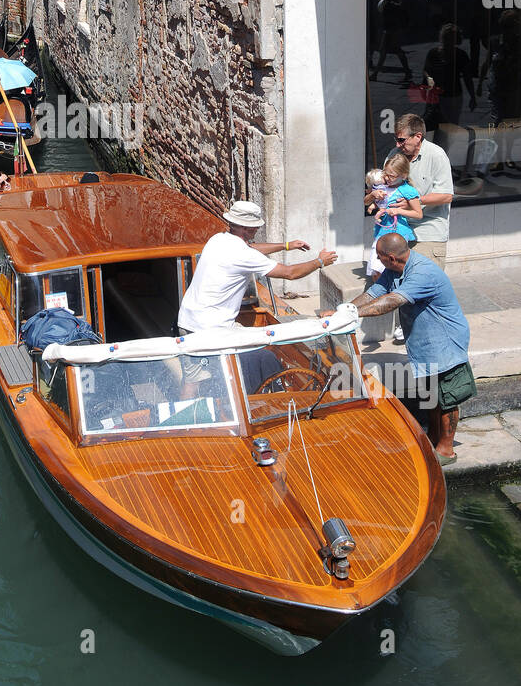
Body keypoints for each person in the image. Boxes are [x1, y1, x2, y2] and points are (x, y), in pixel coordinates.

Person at [351, 232, 476, 466]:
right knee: (431, 395)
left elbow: (391, 301)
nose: (377, 261)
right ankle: (433, 437)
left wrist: (353, 315)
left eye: (379, 256)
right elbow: (374, 293)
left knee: (448, 397)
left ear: (390, 257)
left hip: (445, 342)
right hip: (425, 344)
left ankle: (446, 450)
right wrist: (345, 309)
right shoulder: (395, 269)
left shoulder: (422, 273)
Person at [177, 199, 337, 333]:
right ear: (247, 228)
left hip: (186, 320)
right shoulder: (244, 255)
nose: (258, 228)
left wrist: (286, 245)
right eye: (256, 226)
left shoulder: (218, 239)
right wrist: (320, 262)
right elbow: (290, 273)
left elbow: (250, 249)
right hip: (209, 330)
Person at [392, 113, 453, 270]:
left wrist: (414, 202)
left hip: (428, 232)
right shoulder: (394, 155)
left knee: (424, 287)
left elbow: (446, 196)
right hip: (399, 230)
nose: (398, 145)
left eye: (402, 140)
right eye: (396, 139)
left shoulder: (436, 155)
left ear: (417, 137)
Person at [364, 152, 422, 276]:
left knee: (391, 267)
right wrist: (372, 195)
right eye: (386, 175)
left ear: (404, 175)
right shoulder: (382, 186)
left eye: (392, 176)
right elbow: (365, 202)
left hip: (398, 232)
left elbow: (418, 214)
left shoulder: (408, 190)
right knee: (376, 266)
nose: (388, 179)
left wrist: (398, 211)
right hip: (382, 231)